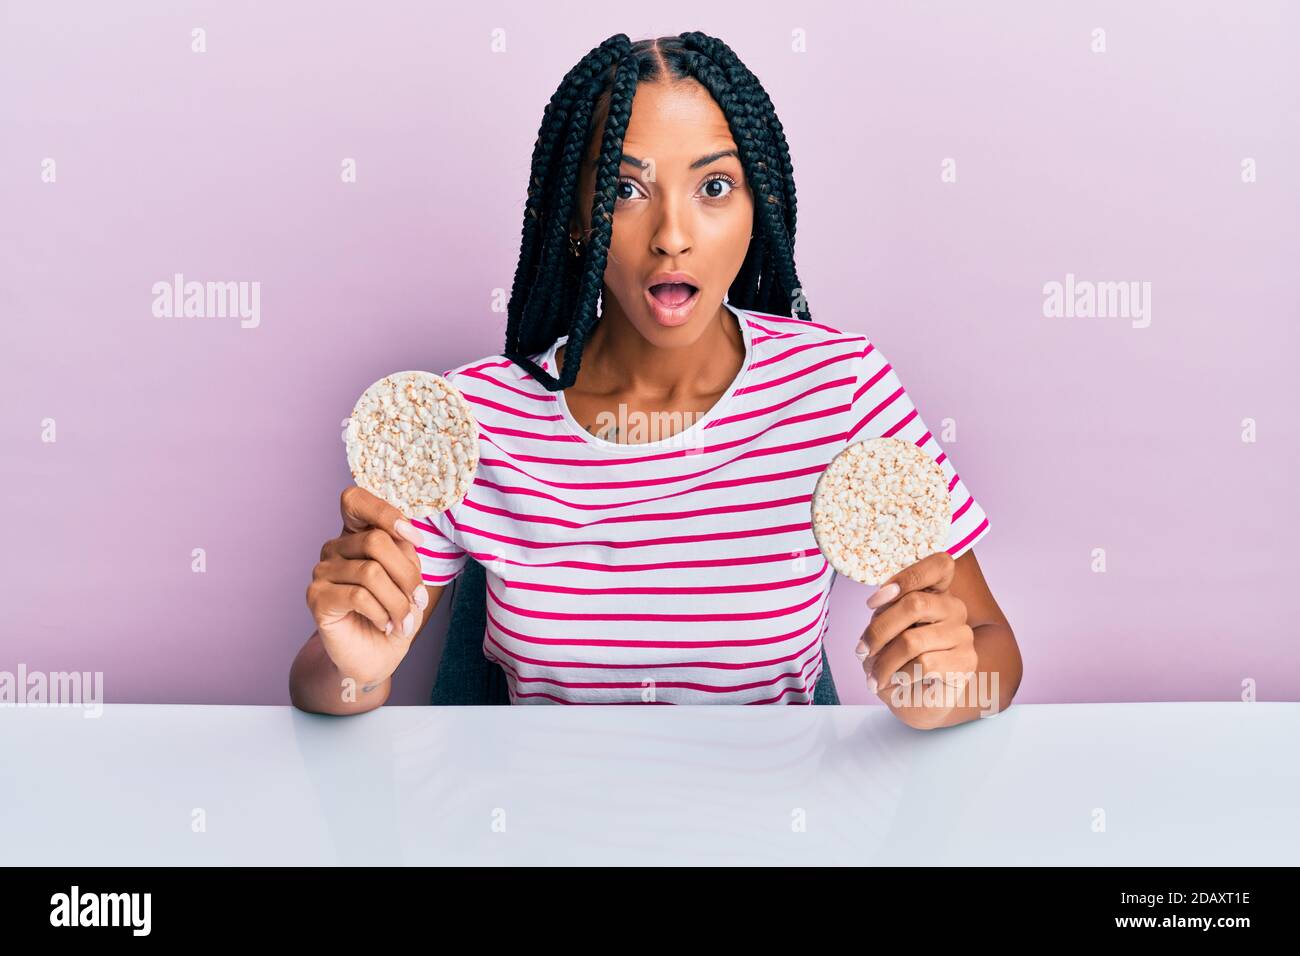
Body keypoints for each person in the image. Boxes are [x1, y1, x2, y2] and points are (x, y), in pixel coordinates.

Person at [291, 32, 1020, 722]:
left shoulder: (839, 390)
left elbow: (994, 648)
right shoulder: (472, 419)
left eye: (714, 186)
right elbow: (322, 686)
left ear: (756, 204)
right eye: (627, 191)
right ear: (579, 216)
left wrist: (946, 689)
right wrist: (353, 663)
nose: (673, 234)